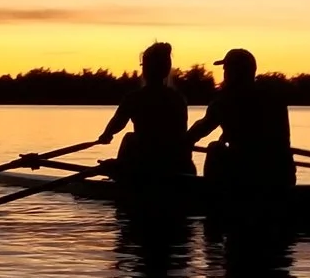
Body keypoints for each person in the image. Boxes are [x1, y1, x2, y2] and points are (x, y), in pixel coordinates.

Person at [188, 47, 294, 194]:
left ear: (235, 72)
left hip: (248, 175)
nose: (224, 74)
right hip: (283, 175)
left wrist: (181, 144)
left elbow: (201, 128)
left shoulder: (226, 99)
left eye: (226, 70)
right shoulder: (273, 97)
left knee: (214, 148)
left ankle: (211, 197)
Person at [98, 41, 193, 183]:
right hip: (177, 164)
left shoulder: (135, 98)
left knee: (129, 138)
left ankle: (120, 179)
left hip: (146, 165)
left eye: (144, 65)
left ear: (147, 69)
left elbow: (118, 122)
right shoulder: (178, 98)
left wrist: (106, 135)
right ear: (166, 69)